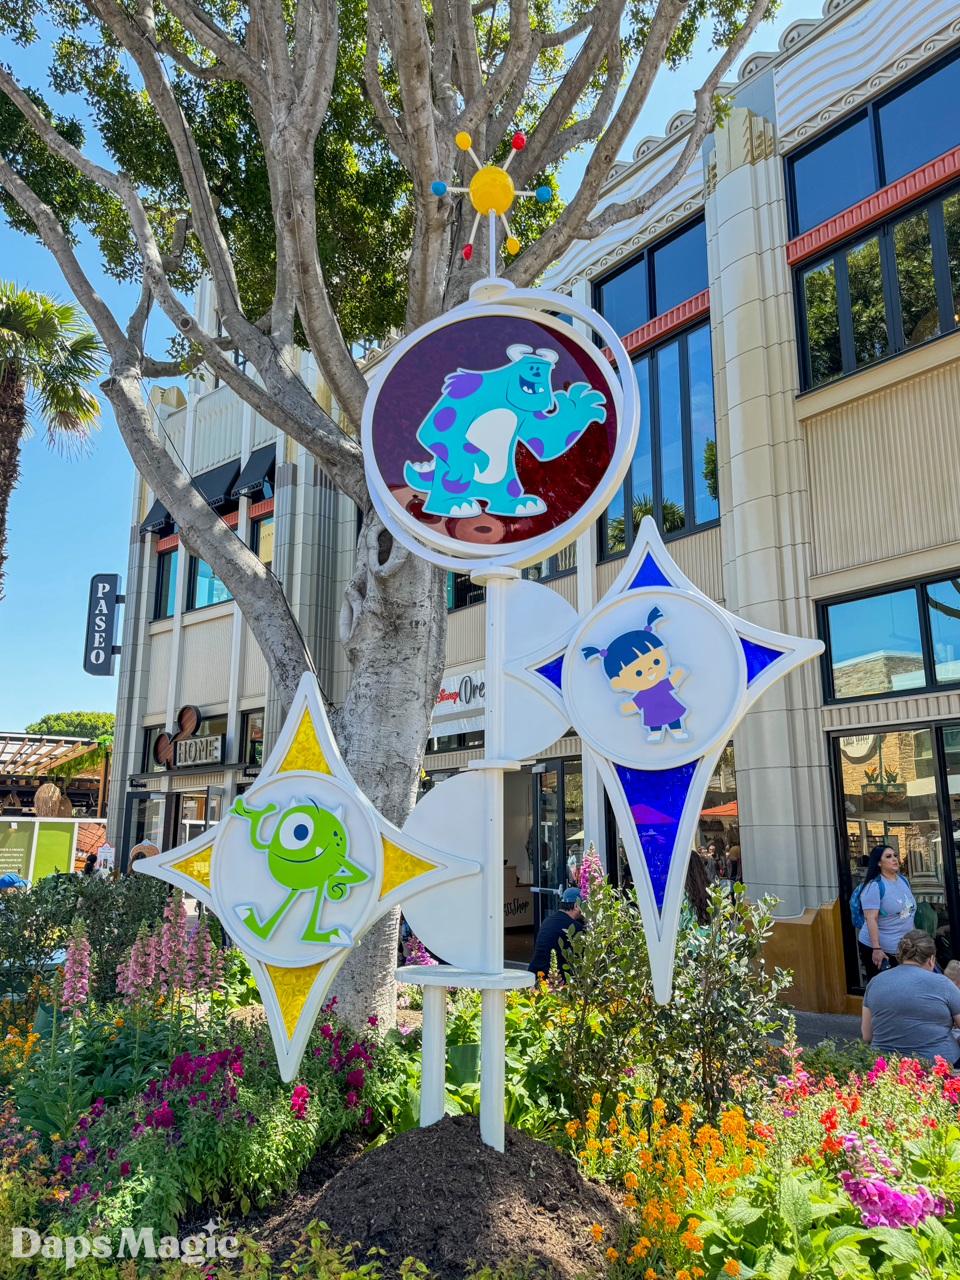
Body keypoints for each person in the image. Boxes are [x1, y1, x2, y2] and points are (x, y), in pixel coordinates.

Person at [582, 607, 690, 743]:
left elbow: (671, 682)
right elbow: (636, 704)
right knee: (655, 722)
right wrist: (629, 707)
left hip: (668, 705)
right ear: (618, 682)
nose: (650, 670)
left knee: (674, 718)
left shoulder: (659, 686)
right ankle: (656, 735)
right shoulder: (642, 695)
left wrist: (677, 675)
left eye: (656, 661)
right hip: (653, 710)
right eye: (638, 673)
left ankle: (678, 732)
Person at [862, 929, 960, 1066]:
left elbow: (867, 1035)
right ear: (931, 959)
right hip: (938, 1065)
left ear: (901, 956)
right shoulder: (944, 984)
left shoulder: (875, 982)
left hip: (886, 1066)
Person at [857, 844, 916, 980]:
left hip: (903, 948)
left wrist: (915, 939)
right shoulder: (874, 886)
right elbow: (871, 919)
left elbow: (909, 913)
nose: (895, 859)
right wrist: (876, 949)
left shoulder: (903, 880)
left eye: (895, 855)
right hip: (882, 950)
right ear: (878, 862)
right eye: (888, 857)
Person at [528, 887, 585, 983]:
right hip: (555, 980)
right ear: (576, 906)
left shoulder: (548, 920)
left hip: (534, 975)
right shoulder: (575, 927)